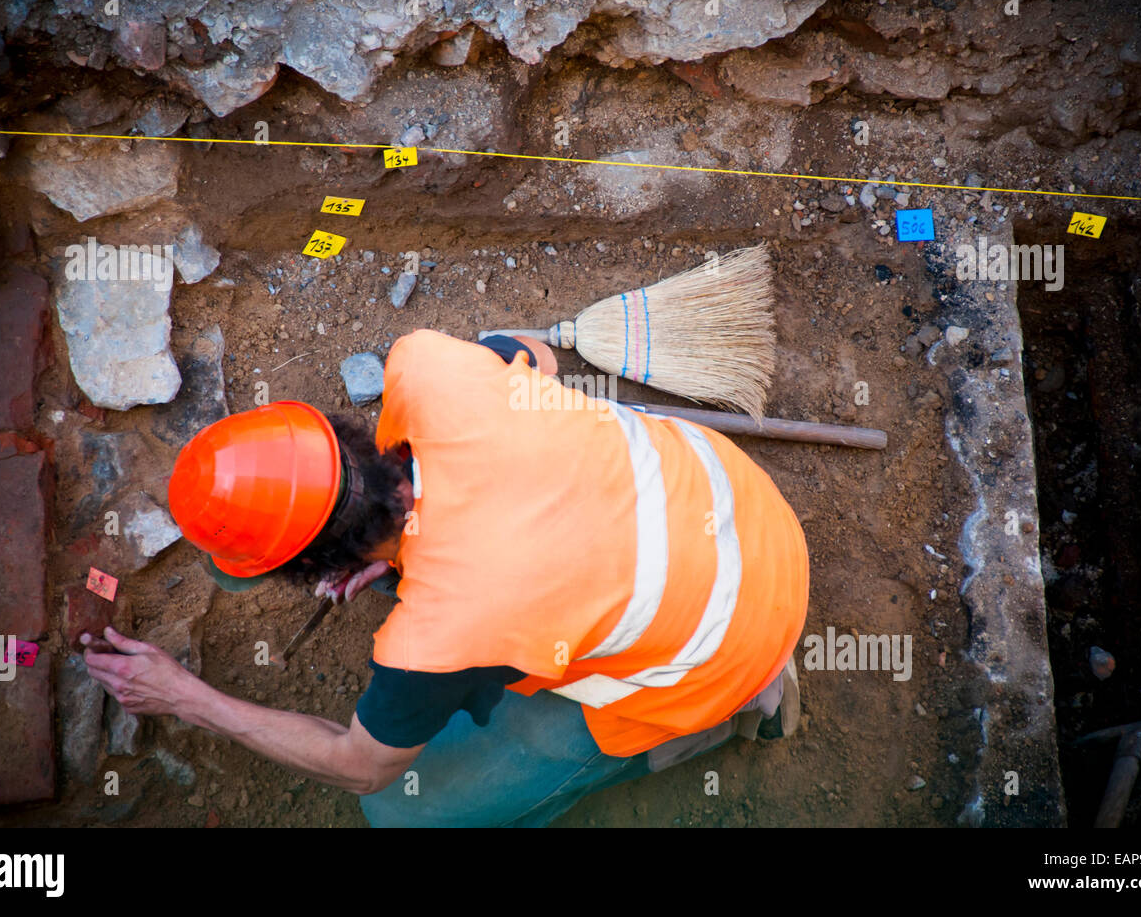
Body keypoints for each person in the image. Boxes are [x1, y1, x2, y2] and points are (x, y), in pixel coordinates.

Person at [82, 329, 809, 827]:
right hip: (744, 501)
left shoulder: (434, 642)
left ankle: (738, 709)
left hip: (733, 639)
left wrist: (186, 696)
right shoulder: (427, 366)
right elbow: (540, 358)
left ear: (324, 569)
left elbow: (359, 765)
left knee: (400, 809)